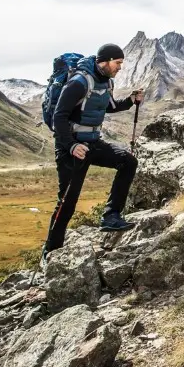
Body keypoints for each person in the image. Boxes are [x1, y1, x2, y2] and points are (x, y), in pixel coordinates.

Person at [42, 43, 144, 265]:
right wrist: (70, 146)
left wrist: (130, 101)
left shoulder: (106, 81)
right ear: (104, 61)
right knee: (67, 202)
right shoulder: (79, 82)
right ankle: (50, 251)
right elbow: (59, 116)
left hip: (93, 143)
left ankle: (111, 216)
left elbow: (107, 107)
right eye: (117, 63)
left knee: (128, 161)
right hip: (71, 148)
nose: (120, 67)